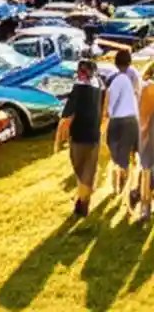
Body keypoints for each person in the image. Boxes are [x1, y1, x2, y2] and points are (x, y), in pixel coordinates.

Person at [56, 59, 105, 216]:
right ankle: (83, 201)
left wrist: (58, 141)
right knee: (89, 171)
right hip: (94, 135)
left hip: (79, 136)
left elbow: (66, 116)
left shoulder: (78, 88)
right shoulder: (100, 86)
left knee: (80, 170)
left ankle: (82, 203)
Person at [107, 50, 142, 196]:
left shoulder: (114, 77)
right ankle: (125, 175)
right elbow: (138, 95)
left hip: (118, 119)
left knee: (117, 149)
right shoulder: (134, 75)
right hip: (131, 118)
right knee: (129, 151)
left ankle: (122, 177)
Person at [135, 65, 154, 222]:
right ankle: (145, 204)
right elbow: (144, 118)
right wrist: (143, 137)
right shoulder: (150, 87)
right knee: (147, 169)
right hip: (151, 137)